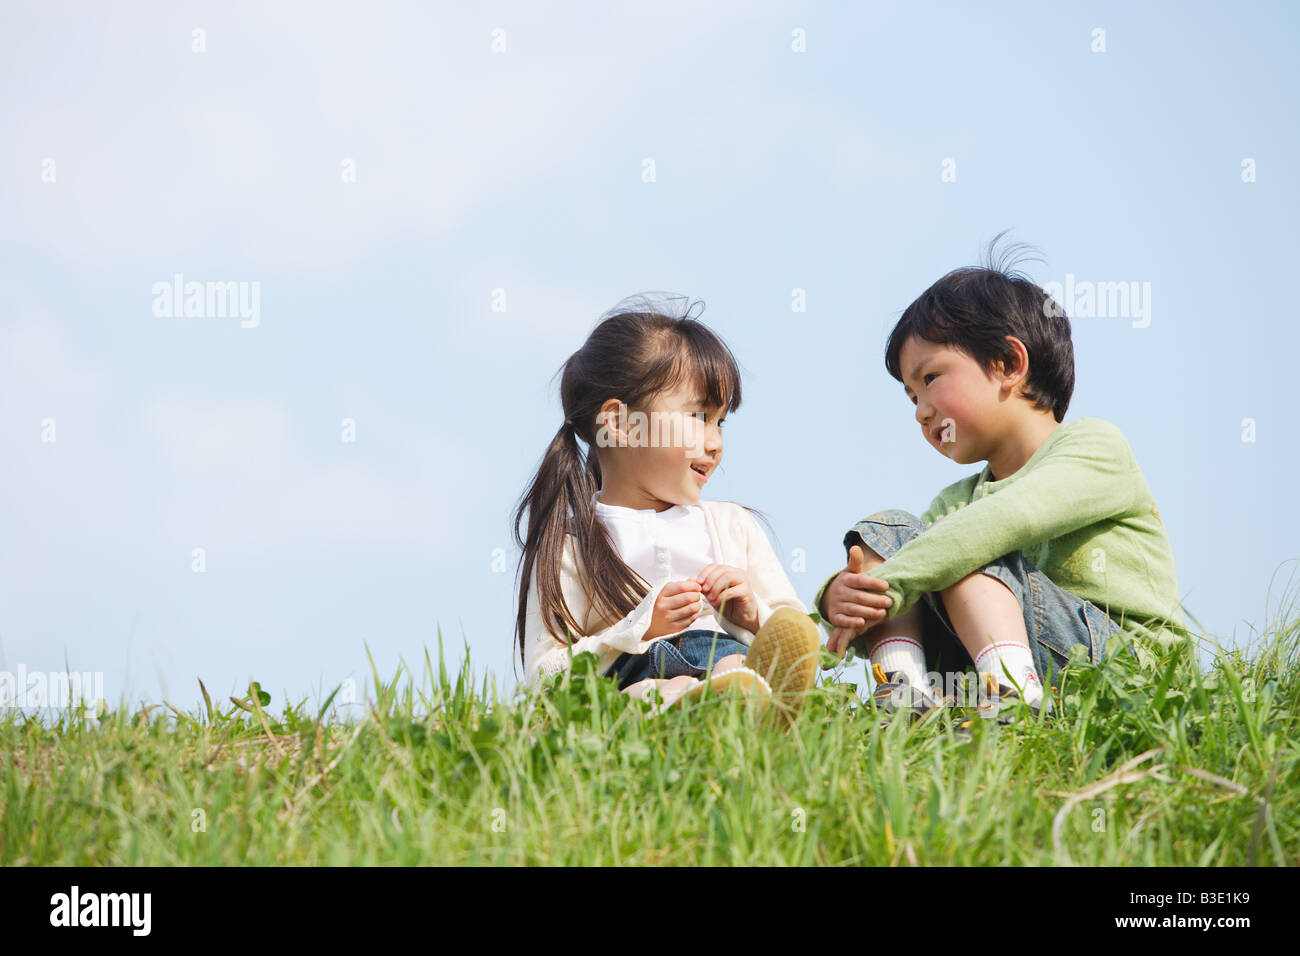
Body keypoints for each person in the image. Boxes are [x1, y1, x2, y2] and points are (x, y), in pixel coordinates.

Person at [814, 239, 1191, 723]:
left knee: (965, 549)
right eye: (910, 397)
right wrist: (838, 596)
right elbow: (923, 571)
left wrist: (887, 583)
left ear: (1008, 364)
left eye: (930, 379)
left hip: (1126, 670)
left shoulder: (1095, 447)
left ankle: (1016, 702)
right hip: (1006, 662)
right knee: (886, 530)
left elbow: (1002, 522)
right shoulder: (955, 502)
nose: (921, 411)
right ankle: (903, 694)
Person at [513, 295, 821, 721]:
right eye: (698, 415)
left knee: (735, 667)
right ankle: (699, 716)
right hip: (629, 677)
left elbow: (799, 632)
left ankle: (746, 704)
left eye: (720, 422)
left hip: (725, 658)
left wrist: (752, 615)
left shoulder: (734, 527)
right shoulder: (572, 544)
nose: (715, 442)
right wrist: (641, 626)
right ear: (620, 423)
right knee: (655, 691)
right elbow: (545, 675)